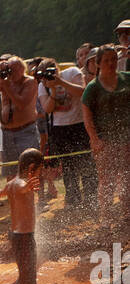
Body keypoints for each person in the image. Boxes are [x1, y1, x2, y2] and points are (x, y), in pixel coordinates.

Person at [38, 58, 93, 211]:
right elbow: (48, 109)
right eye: (45, 74)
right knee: (68, 166)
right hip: (59, 128)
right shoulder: (43, 86)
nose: (49, 76)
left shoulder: (72, 72)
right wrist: (53, 90)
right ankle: (73, 199)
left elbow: (83, 93)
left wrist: (61, 82)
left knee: (87, 162)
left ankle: (91, 197)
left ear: (57, 68)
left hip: (79, 124)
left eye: (51, 71)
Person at [82, 43, 130, 214]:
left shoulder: (127, 78)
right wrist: (95, 140)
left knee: (127, 179)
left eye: (114, 59)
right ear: (98, 63)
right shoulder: (93, 87)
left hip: (127, 139)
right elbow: (87, 117)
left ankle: (126, 215)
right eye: (107, 60)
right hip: (104, 140)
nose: (111, 63)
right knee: (106, 180)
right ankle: (106, 218)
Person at [0, 148, 43, 284]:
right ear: (31, 168)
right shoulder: (21, 184)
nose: (40, 174)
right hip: (25, 236)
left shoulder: (10, 183)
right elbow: (22, 188)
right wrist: (28, 186)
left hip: (15, 235)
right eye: (39, 170)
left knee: (24, 268)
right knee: (29, 271)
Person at [0, 55, 39, 168]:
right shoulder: (6, 82)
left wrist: (7, 87)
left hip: (25, 131)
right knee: (10, 170)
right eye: (10, 70)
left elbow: (22, 104)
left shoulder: (29, 82)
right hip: (5, 132)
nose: (12, 73)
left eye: (15, 70)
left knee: (30, 168)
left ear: (22, 69)